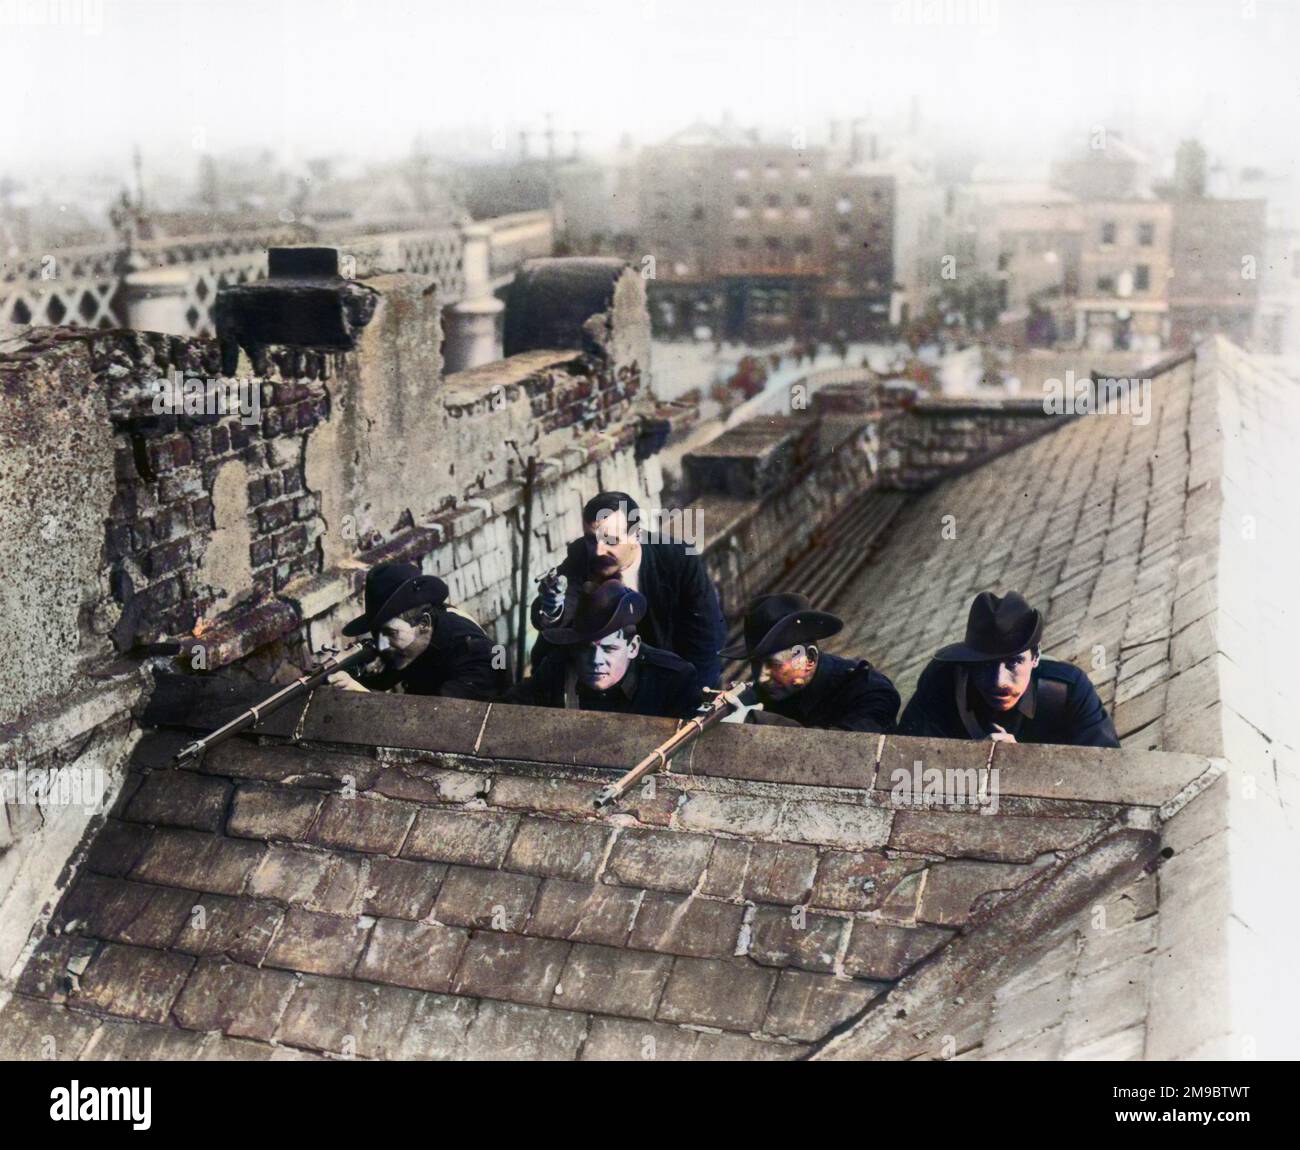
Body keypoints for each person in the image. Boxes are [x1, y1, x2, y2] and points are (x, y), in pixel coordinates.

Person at [532, 491, 726, 688]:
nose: (598, 551)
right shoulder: (581, 555)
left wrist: (692, 697)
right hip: (608, 679)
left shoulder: (678, 559)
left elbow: (706, 639)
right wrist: (553, 607)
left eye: (611, 541)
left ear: (637, 536)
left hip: (672, 676)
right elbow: (567, 601)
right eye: (591, 539)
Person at [897, 590, 1120, 747]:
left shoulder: (1067, 690)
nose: (998, 681)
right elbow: (904, 759)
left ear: (1035, 658)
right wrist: (966, 760)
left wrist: (1021, 764)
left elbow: (1104, 770)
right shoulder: (942, 682)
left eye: (1013, 663)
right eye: (984, 665)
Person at [508, 581, 702, 720]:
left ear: (633, 647)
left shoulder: (672, 680)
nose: (596, 660)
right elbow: (509, 707)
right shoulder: (558, 668)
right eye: (585, 649)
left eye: (609, 649)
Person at [720, 593, 899, 732]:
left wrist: (755, 720)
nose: (762, 677)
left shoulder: (870, 692)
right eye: (755, 664)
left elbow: (837, 750)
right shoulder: (771, 689)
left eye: (774, 664)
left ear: (809, 659)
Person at [328, 562, 500, 701]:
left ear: (424, 623)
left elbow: (434, 722)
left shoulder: (475, 656)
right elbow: (382, 678)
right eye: (377, 634)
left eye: (390, 633)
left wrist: (366, 699)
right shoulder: (412, 639)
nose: (382, 645)